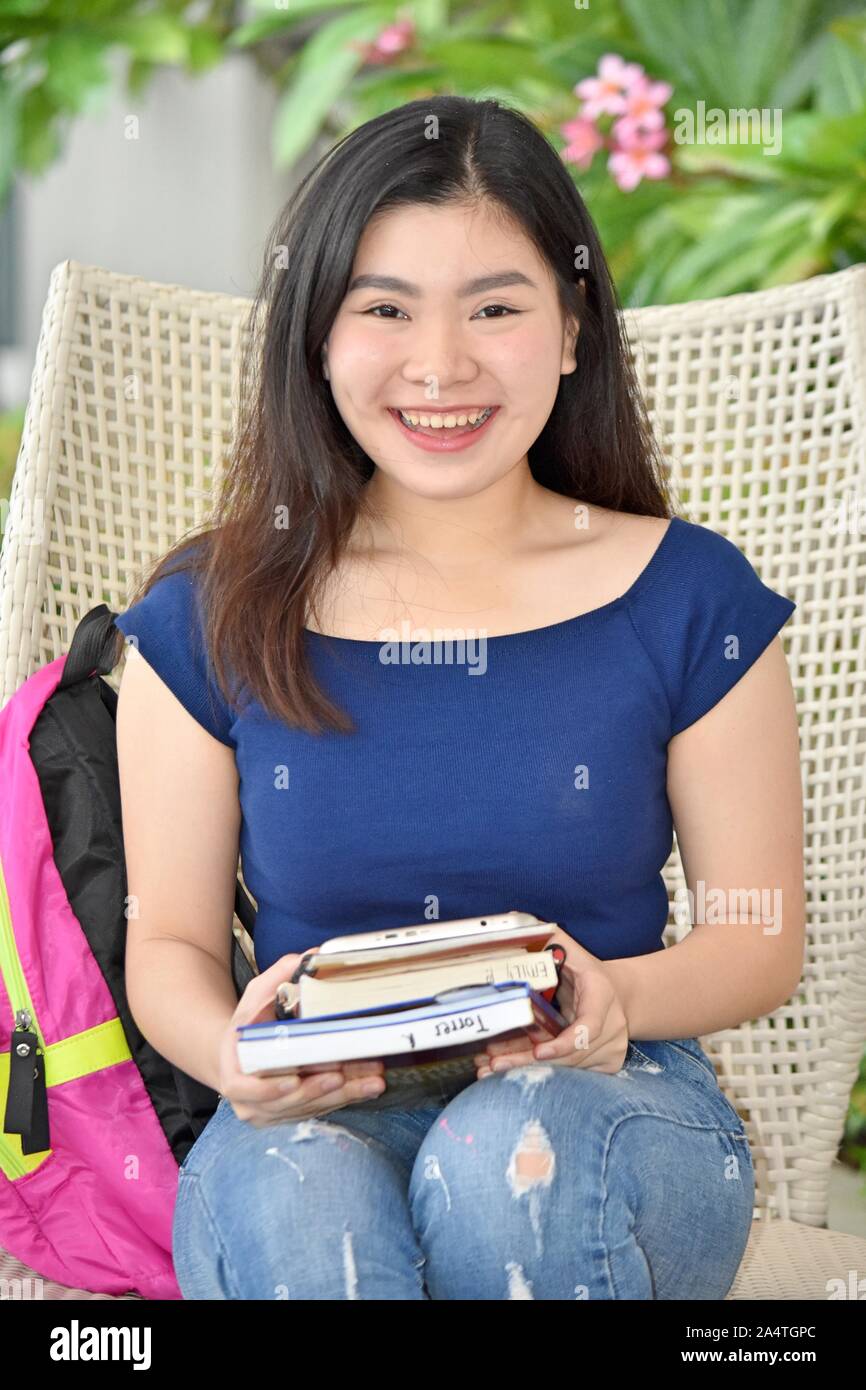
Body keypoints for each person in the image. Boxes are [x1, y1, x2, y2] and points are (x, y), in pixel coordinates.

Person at [114, 95, 804, 1300]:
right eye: (384, 310)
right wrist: (233, 1051)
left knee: (507, 1156)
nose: (440, 365)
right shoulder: (208, 610)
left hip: (612, 1105)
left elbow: (755, 935)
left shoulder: (687, 593)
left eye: (495, 307)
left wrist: (614, 999)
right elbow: (168, 944)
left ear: (574, 329)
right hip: (315, 1112)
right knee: (300, 1190)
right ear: (317, 339)